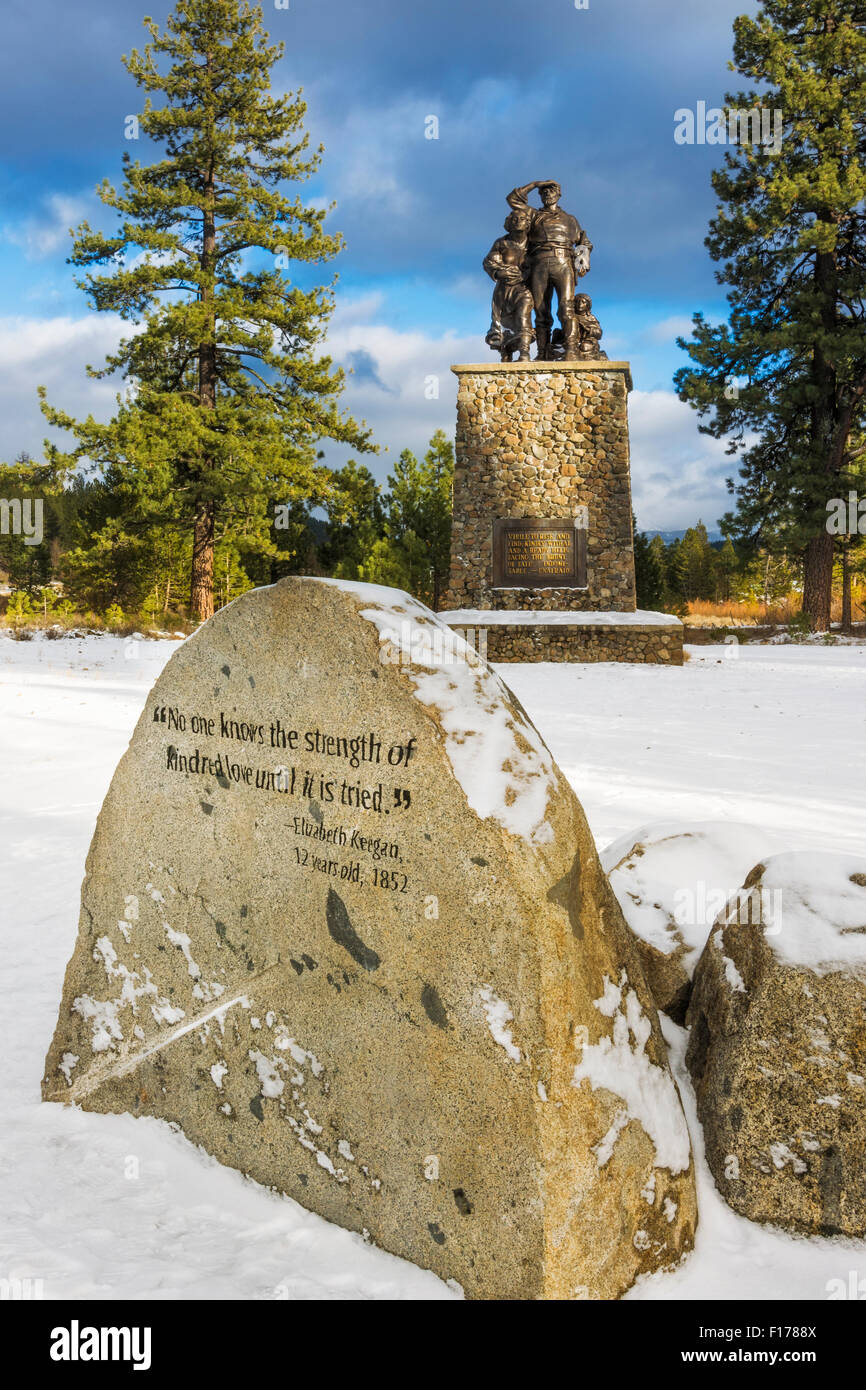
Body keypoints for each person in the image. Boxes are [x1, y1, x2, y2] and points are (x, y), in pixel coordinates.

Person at [506, 179, 592, 360]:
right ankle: (543, 352)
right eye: (543, 192)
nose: (547, 195)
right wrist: (536, 184)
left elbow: (584, 241)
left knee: (566, 308)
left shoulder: (570, 220)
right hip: (539, 264)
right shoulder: (534, 215)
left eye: (551, 191)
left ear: (558, 195)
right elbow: (513, 199)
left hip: (564, 263)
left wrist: (583, 258)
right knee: (540, 310)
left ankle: (570, 350)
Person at [483, 208, 535, 362]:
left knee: (523, 316)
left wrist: (526, 274)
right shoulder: (501, 243)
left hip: (524, 288)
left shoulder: (534, 244)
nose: (518, 222)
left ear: (528, 224)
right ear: (509, 223)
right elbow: (489, 262)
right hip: (503, 290)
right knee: (503, 323)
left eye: (522, 219)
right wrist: (499, 273)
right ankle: (506, 351)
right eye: (514, 219)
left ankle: (524, 353)